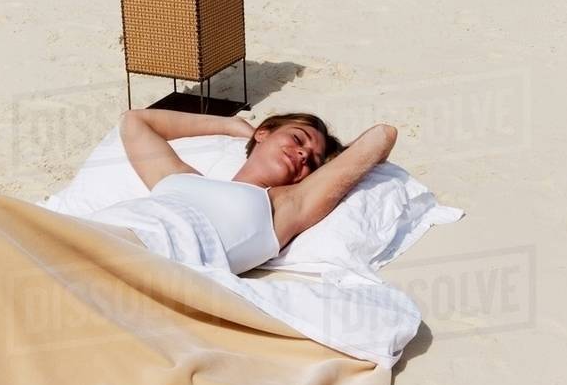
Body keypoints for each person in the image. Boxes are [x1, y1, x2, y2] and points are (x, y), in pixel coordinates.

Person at [86, 108, 397, 277]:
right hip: (97, 231)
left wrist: (334, 156)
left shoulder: (283, 207)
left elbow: (382, 136)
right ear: (263, 133)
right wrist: (230, 126)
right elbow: (135, 121)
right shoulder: (180, 178)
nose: (303, 155)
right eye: (298, 139)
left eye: (312, 161)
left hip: (152, 265)